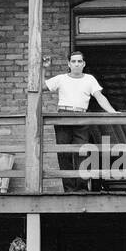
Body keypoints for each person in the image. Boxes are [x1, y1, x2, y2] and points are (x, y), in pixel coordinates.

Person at [44, 50, 116, 191]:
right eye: (73, 61)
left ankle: (82, 188)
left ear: (84, 64)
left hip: (81, 117)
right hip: (63, 116)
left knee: (82, 152)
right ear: (69, 64)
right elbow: (39, 87)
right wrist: (43, 69)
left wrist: (113, 112)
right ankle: (69, 189)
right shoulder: (61, 78)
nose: (76, 64)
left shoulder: (89, 79)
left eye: (79, 61)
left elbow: (99, 97)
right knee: (63, 153)